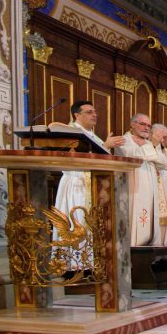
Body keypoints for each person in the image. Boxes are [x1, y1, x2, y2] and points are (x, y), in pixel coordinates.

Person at [53, 101, 125, 261]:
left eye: (95, 112)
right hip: (77, 184)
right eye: (89, 112)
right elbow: (76, 158)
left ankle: (89, 261)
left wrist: (104, 146)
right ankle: (74, 262)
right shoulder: (71, 133)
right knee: (77, 220)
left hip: (91, 184)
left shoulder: (91, 134)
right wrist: (105, 145)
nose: (95, 115)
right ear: (76, 115)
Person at [115, 114, 166, 248]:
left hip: (150, 189)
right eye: (143, 124)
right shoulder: (123, 140)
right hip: (133, 187)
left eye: (149, 125)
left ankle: (148, 250)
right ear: (132, 124)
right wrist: (151, 152)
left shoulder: (149, 143)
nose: (146, 128)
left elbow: (163, 162)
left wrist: (150, 150)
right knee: (133, 217)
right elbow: (133, 155)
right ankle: (131, 249)